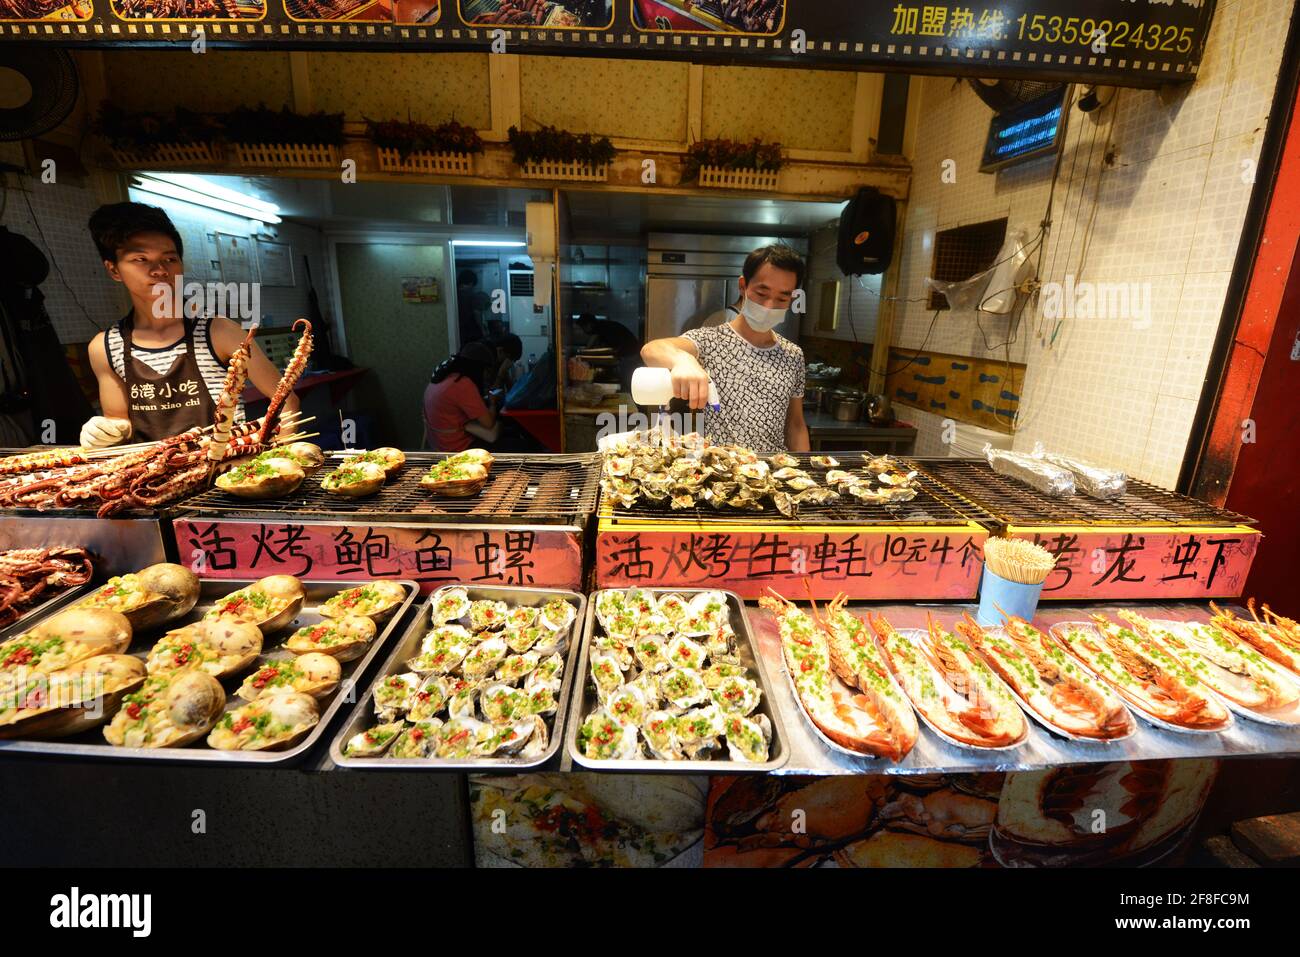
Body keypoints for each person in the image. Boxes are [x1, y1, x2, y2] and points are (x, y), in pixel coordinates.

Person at [80, 202, 295, 448]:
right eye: (140, 259)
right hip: (150, 481)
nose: (159, 270)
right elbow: (119, 421)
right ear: (113, 270)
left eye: (169, 259)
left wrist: (279, 462)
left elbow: (286, 400)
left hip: (227, 474)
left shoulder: (219, 332)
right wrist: (105, 431)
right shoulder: (104, 348)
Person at [640, 243, 809, 452]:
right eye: (761, 293)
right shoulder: (710, 340)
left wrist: (805, 470)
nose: (769, 306)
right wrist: (683, 360)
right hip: (720, 473)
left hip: (773, 473)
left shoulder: (793, 355)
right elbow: (651, 349)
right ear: (743, 286)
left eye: (782, 298)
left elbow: (795, 425)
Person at [423, 340, 501, 451]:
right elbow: (488, 423)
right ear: (478, 368)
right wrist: (493, 403)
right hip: (455, 447)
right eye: (485, 370)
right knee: (509, 440)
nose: (486, 375)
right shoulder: (463, 384)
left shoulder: (444, 375)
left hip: (437, 443)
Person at [576, 312, 640, 390]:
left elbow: (598, 347)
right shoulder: (602, 327)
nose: (583, 331)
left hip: (630, 354)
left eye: (583, 327)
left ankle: (628, 395)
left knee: (627, 380)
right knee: (627, 380)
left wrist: (586, 352)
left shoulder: (603, 328)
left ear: (589, 324)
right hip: (630, 352)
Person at [456, 268, 487, 346]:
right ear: (471, 283)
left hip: (458, 332)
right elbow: (477, 314)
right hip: (471, 332)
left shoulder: (454, 294)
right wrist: (483, 330)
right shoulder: (472, 296)